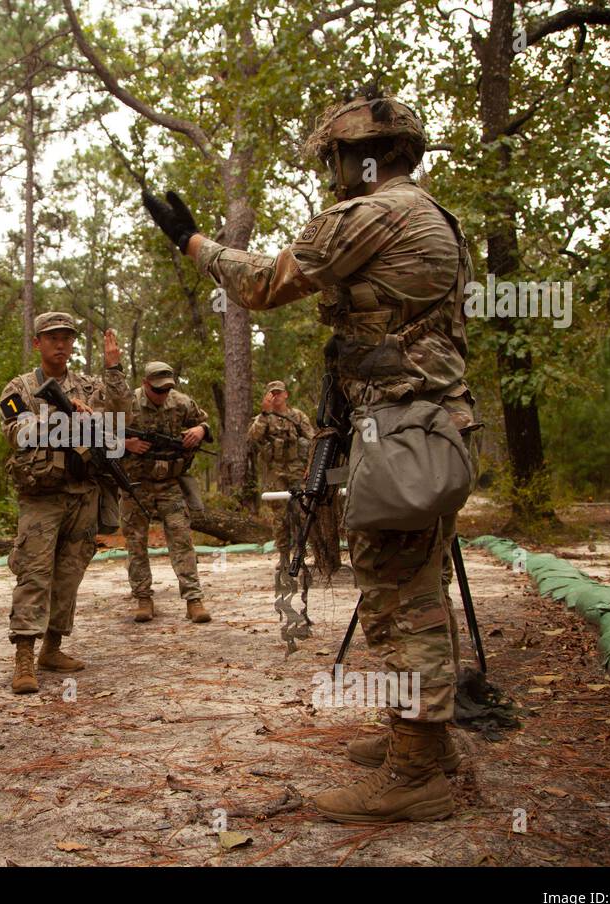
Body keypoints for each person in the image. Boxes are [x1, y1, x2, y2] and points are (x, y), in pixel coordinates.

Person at [143, 88, 480, 823]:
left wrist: (193, 243)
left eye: (333, 156)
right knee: (419, 582)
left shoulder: (368, 212)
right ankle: (427, 744)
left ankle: (416, 775)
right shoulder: (433, 215)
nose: (331, 169)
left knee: (400, 597)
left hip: (399, 428)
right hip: (431, 426)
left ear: (354, 157)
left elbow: (264, 283)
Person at [0, 314, 129, 693]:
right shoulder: (21, 386)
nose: (61, 344)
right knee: (35, 573)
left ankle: (52, 648)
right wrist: (58, 417)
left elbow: (120, 417)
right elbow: (14, 432)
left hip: (82, 491)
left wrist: (113, 371)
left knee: (70, 574)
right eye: (52, 338)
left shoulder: (89, 385)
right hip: (42, 496)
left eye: (67, 338)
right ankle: (24, 657)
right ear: (37, 343)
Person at [121, 361, 212, 624]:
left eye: (166, 389)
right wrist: (125, 443)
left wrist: (200, 430)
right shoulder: (128, 405)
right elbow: (99, 436)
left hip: (170, 483)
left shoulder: (182, 403)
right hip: (135, 484)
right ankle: (142, 598)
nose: (162, 395)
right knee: (136, 542)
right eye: (157, 390)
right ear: (145, 384)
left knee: (181, 539)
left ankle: (193, 599)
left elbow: (205, 423)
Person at [247, 381, 315, 638]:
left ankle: (302, 551)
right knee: (279, 518)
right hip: (275, 474)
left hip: (298, 472)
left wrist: (310, 467)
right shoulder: (263, 419)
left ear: (286, 395)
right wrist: (264, 414)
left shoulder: (298, 416)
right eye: (271, 393)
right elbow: (252, 439)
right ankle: (284, 556)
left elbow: (313, 440)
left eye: (279, 393)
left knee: (301, 514)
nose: (275, 397)